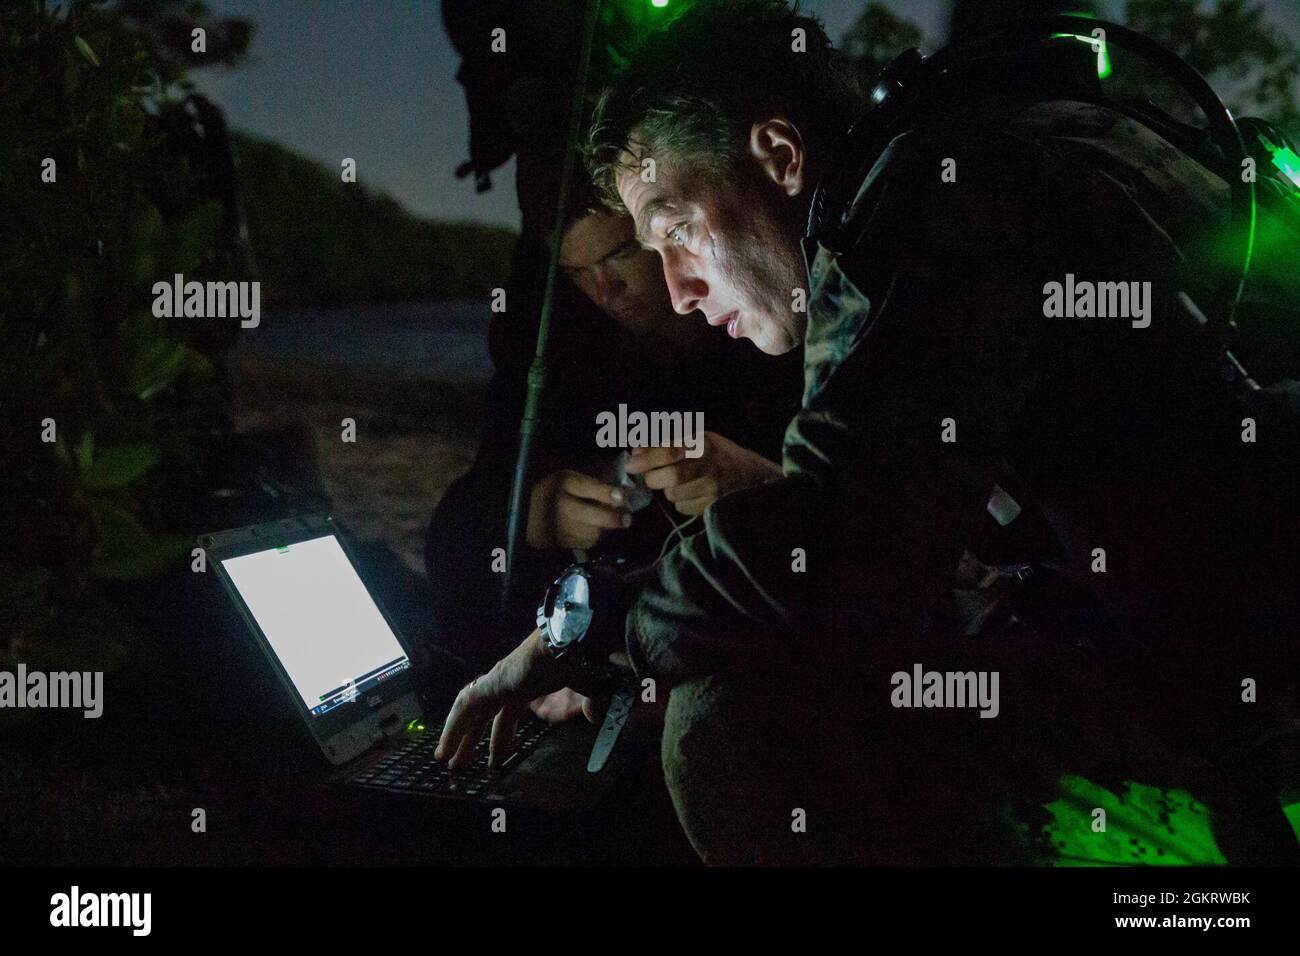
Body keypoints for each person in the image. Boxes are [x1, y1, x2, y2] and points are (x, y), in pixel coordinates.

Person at [435, 1, 1300, 864]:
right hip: (1209, 632)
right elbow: (891, 518)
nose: (679, 289)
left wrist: (595, 625)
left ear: (778, 156)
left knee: (732, 725)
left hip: (1255, 702)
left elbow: (840, 543)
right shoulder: (970, 160)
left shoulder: (933, 205)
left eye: (677, 233)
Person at [423, 173, 803, 707]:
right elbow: (453, 533)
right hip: (606, 663)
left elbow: (862, 528)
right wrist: (530, 511)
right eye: (578, 272)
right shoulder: (557, 365)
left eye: (621, 254)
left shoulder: (768, 325)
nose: (605, 291)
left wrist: (758, 487)